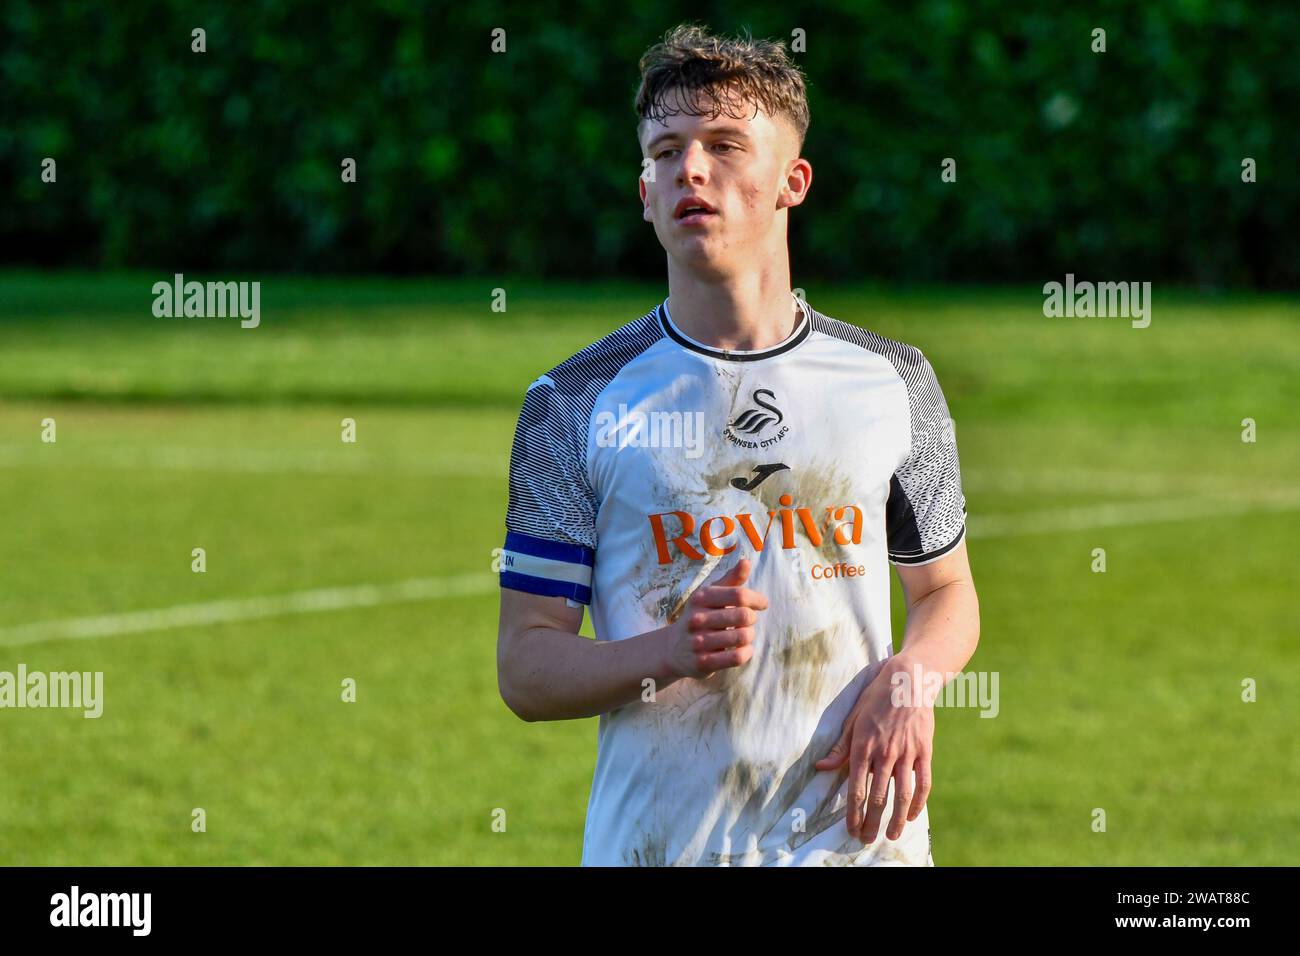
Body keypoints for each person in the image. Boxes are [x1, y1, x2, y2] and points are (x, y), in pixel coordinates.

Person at [496, 23, 980, 866]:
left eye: (724, 145)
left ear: (793, 181)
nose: (690, 168)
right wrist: (668, 653)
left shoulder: (893, 380)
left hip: (859, 845)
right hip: (662, 847)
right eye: (665, 151)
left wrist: (911, 679)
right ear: (643, 191)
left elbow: (947, 593)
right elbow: (526, 669)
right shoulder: (571, 403)